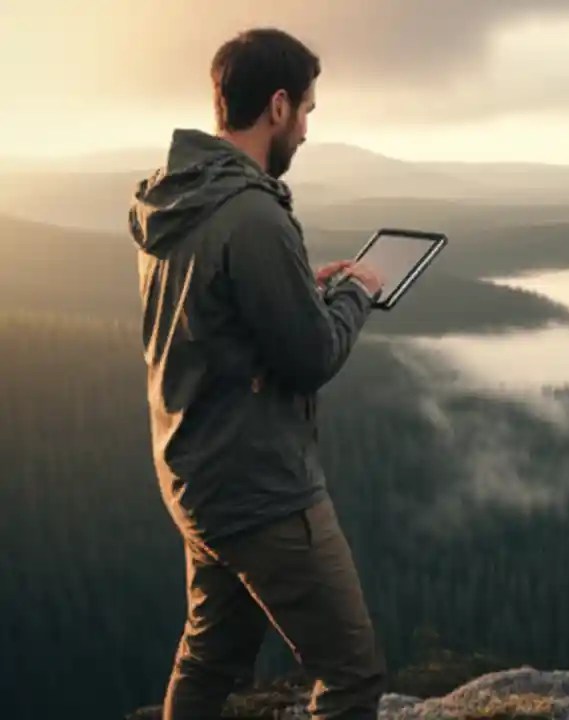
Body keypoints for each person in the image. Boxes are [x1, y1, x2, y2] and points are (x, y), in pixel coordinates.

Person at [127, 27, 388, 720]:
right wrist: (354, 296)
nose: (304, 130)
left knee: (209, 663)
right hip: (263, 491)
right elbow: (310, 359)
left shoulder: (177, 201)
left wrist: (306, 291)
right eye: (304, 111)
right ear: (277, 106)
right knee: (354, 674)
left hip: (196, 476)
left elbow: (220, 328)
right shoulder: (252, 216)